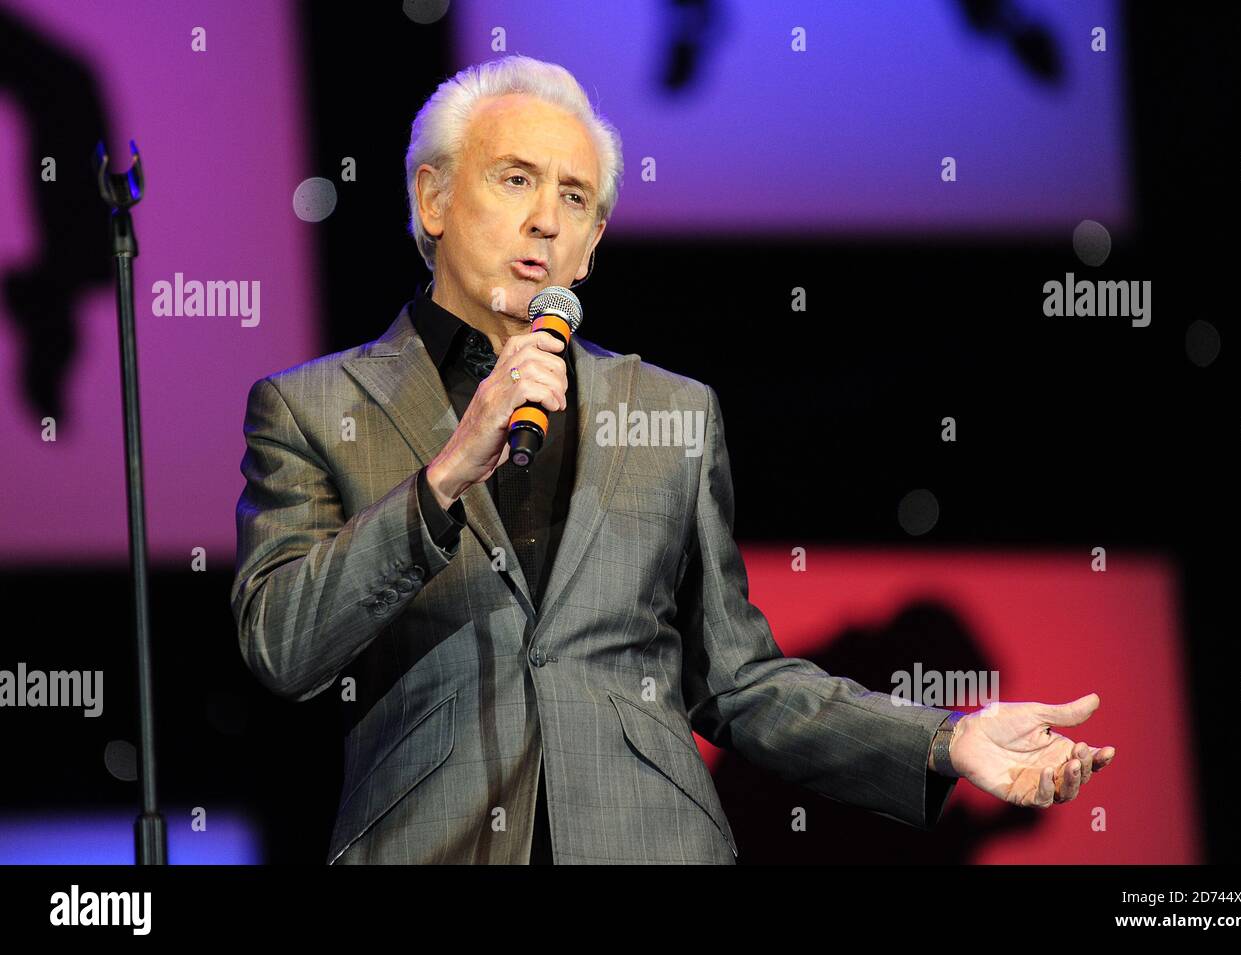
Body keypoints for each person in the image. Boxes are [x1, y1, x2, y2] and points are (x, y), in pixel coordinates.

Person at [230, 54, 1115, 865]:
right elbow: (283, 644)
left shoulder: (672, 413)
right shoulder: (314, 408)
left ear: (595, 241)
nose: (546, 217)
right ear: (432, 200)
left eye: (576, 198)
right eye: (516, 180)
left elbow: (738, 681)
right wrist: (446, 474)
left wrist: (944, 741)